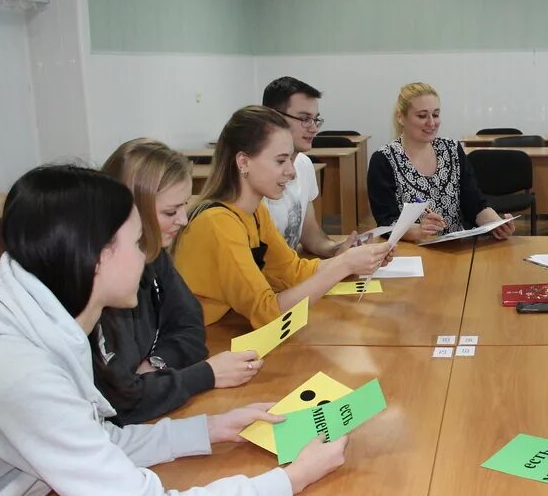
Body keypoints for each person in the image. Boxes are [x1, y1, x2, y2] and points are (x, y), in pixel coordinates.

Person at [0, 165, 348, 496]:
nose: (148, 254)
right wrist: (290, 479)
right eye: (138, 241)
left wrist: (210, 428)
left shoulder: (44, 322)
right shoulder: (23, 375)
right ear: (97, 256)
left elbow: (96, 440)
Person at [174, 106, 393, 328]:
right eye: (280, 161)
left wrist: (349, 260)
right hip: (203, 339)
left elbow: (292, 271)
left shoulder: (255, 211)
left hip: (224, 325)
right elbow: (267, 313)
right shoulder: (218, 223)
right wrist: (343, 265)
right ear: (244, 162)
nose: (292, 171)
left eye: (290, 159)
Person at [95, 139, 264, 425]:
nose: (184, 220)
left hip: (150, 420)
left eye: (184, 206)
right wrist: (203, 375)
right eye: (170, 212)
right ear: (131, 212)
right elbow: (120, 402)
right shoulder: (102, 285)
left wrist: (155, 366)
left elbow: (190, 326)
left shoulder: (154, 255)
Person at [367, 82, 515, 243]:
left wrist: (496, 224)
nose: (431, 123)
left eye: (436, 114)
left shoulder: (452, 149)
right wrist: (418, 231)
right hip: (412, 252)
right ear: (401, 117)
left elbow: (474, 203)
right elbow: (386, 222)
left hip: (457, 250)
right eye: (422, 116)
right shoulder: (384, 160)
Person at [261, 76, 358, 257]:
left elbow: (309, 233)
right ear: (273, 117)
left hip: (289, 273)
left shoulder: (304, 164)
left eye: (316, 119)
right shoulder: (255, 176)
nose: (314, 128)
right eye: (305, 119)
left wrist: (338, 250)